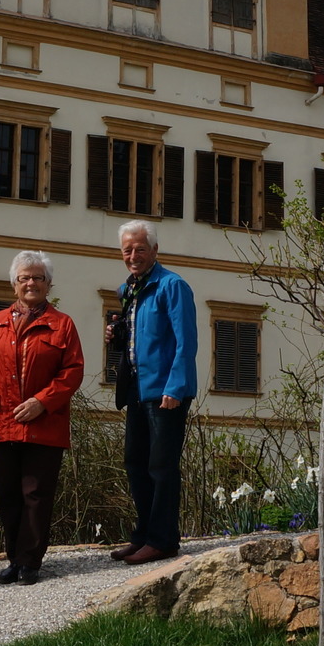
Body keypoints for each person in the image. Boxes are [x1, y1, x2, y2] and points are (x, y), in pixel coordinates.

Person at [0, 250, 84, 585]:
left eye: (37, 277)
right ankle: (13, 557)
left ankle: (30, 560)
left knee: (36, 494)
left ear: (48, 284)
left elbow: (73, 371)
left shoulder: (62, 325)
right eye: (24, 278)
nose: (31, 283)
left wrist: (41, 401)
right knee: (7, 495)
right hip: (2, 423)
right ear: (14, 284)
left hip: (44, 424)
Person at [105, 221, 197, 565]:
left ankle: (163, 539)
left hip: (165, 391)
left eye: (140, 249)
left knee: (161, 466)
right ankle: (143, 535)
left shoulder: (172, 286)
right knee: (135, 463)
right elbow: (136, 339)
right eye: (127, 250)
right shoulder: (128, 290)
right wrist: (116, 336)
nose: (133, 256)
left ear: (155, 251)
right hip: (138, 389)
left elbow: (186, 341)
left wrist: (175, 387)